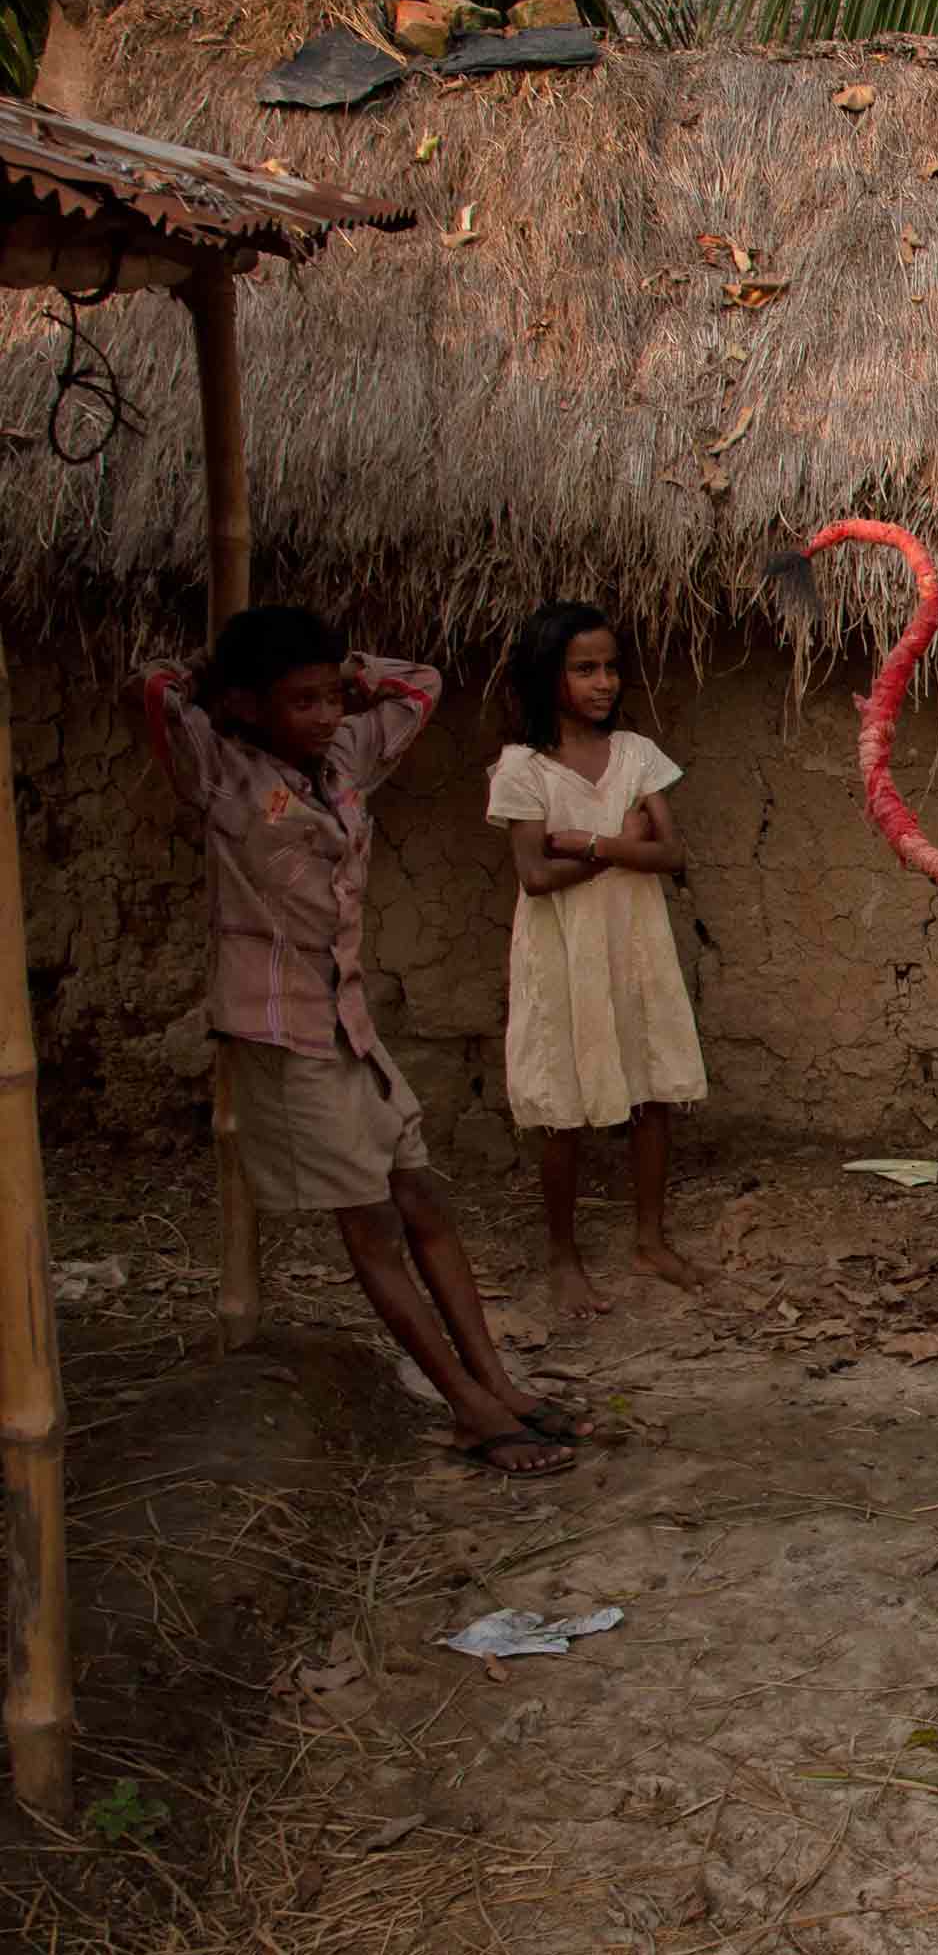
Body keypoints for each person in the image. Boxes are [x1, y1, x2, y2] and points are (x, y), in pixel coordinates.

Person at [136, 607, 586, 1477]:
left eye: (328, 697)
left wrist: (345, 670)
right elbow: (150, 689)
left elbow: (421, 684)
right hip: (283, 1031)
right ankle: (468, 1411)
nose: (320, 715)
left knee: (423, 1199)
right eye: (297, 701)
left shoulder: (345, 757)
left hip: (349, 1024)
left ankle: (497, 1384)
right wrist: (210, 676)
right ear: (247, 704)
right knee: (373, 1224)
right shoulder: (219, 770)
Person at [487, 602, 708, 1315]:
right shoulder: (522, 769)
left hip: (635, 943)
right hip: (562, 951)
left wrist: (589, 844)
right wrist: (624, 844)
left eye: (611, 667)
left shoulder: (637, 754)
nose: (603, 682)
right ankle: (563, 1255)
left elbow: (671, 854)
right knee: (563, 1100)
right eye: (584, 669)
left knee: (650, 1089)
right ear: (547, 674)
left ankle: (649, 1238)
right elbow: (533, 876)